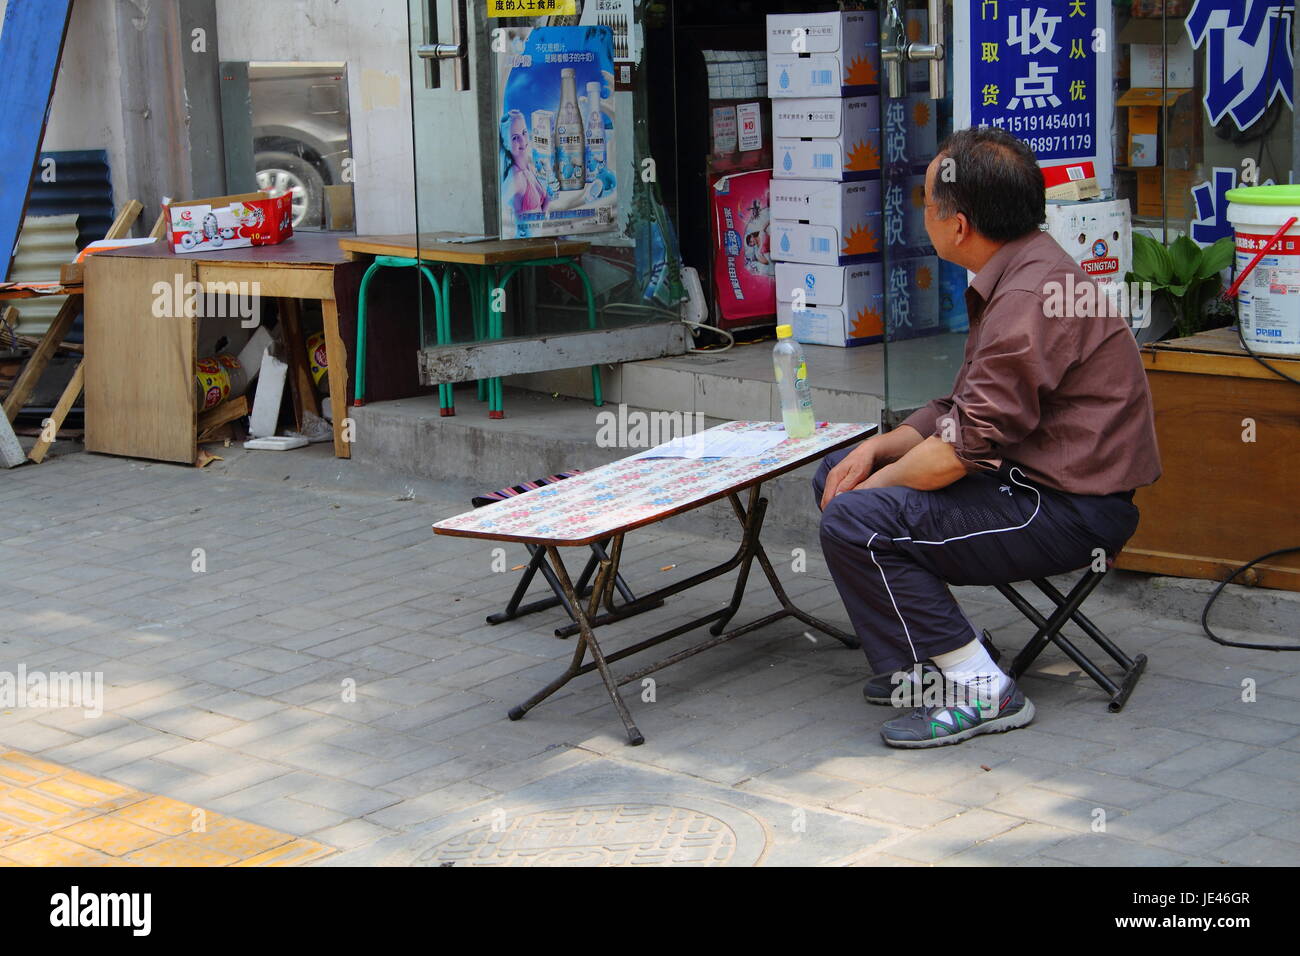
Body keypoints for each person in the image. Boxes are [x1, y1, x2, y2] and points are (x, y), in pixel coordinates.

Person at [813, 127, 1161, 749]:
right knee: (838, 472)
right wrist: (874, 450)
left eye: (926, 202)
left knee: (854, 518)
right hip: (1024, 477)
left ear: (960, 224)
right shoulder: (1022, 266)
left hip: (1067, 507)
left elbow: (958, 451)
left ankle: (981, 688)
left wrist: (868, 488)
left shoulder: (1026, 292)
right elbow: (961, 406)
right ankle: (931, 661)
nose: (924, 214)